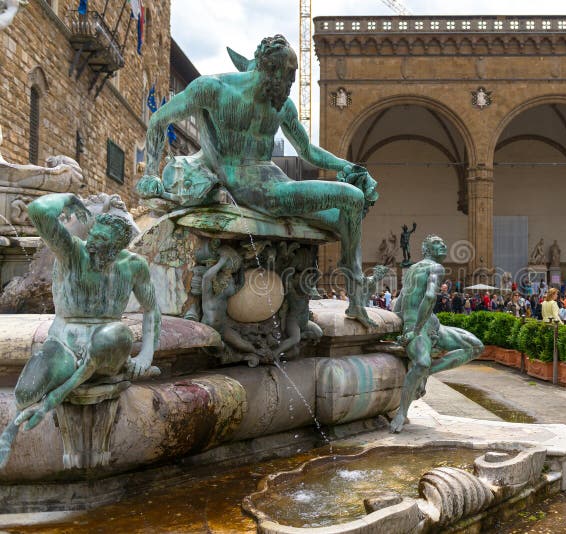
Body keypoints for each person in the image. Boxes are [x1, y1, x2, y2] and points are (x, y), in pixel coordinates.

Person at [136, 35, 378, 328]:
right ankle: (355, 291)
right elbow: (158, 120)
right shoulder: (214, 89)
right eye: (289, 77)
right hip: (248, 184)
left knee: (345, 218)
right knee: (351, 198)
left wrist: (351, 166)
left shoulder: (282, 105)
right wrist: (149, 173)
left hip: (276, 184)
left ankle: (346, 302)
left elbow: (307, 151)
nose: (291, 85)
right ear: (270, 69)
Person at [0, 193, 161, 467]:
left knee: (115, 334)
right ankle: (24, 419)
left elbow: (151, 310)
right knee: (26, 393)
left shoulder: (133, 265)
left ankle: (19, 425)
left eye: (102, 244)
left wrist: (146, 354)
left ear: (118, 247)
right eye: (93, 239)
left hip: (108, 343)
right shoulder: (72, 251)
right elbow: (38, 209)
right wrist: (70, 198)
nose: (93, 248)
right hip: (65, 342)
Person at [391, 235, 483, 433]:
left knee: (476, 346)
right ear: (426, 249)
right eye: (437, 243)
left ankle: (427, 373)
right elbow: (430, 295)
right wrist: (412, 330)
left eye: (444, 242)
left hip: (430, 324)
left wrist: (395, 324)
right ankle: (401, 412)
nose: (443, 245)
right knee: (422, 363)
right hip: (417, 325)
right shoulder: (436, 268)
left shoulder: (411, 270)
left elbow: (399, 302)